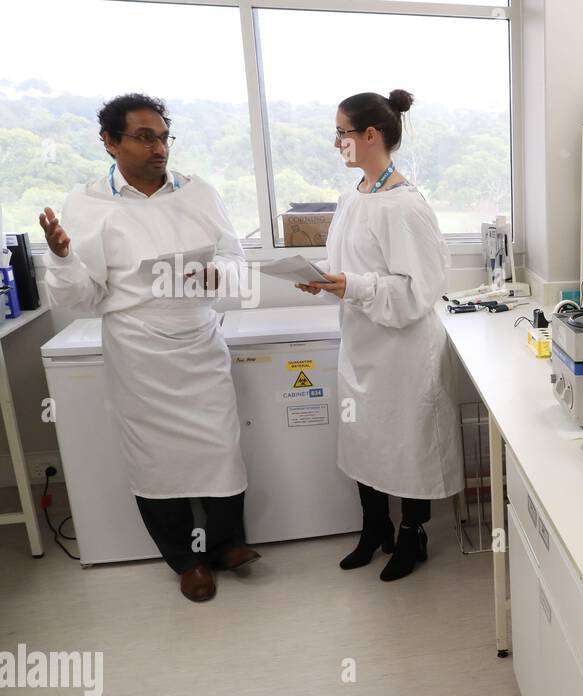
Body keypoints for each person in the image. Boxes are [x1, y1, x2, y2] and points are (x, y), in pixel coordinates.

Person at [39, 93, 257, 602]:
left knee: (220, 446)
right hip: (137, 345)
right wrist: (63, 259)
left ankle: (226, 544)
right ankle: (186, 561)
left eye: (163, 136)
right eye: (144, 137)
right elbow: (83, 298)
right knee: (156, 459)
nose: (159, 147)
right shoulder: (89, 203)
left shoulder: (199, 192)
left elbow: (236, 263)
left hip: (199, 334)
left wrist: (213, 274)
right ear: (109, 142)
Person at [296, 89, 464, 581]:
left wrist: (352, 285)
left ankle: (413, 536)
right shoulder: (354, 197)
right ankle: (375, 530)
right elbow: (356, 265)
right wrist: (326, 278)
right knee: (365, 440)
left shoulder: (405, 207)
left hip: (404, 347)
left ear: (370, 136)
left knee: (406, 441)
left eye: (341, 133)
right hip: (362, 340)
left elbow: (420, 290)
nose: (336, 143)